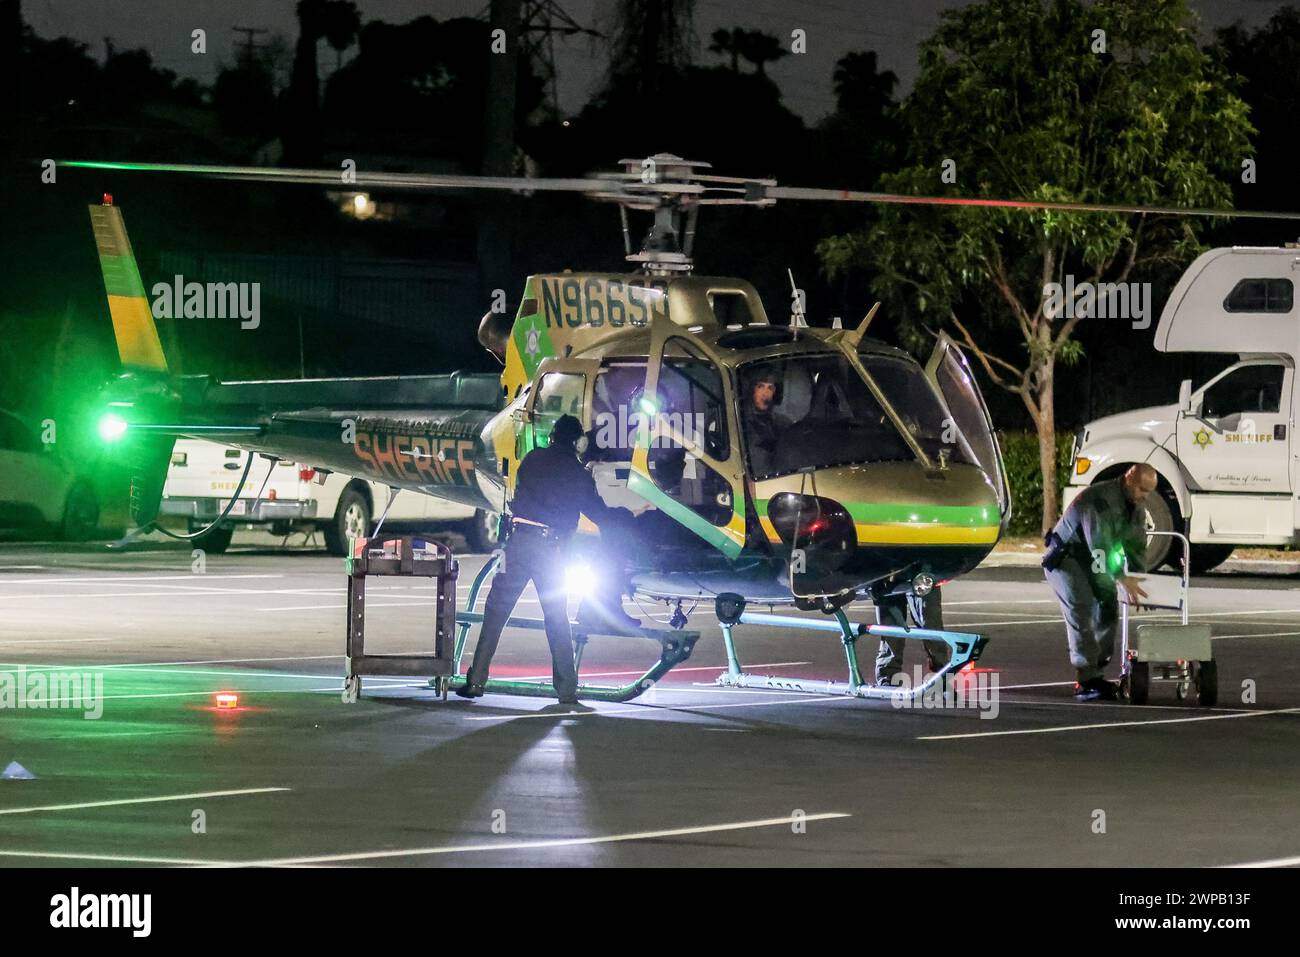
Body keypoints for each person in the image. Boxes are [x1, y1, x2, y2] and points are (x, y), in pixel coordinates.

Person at [457, 415, 638, 704]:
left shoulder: (532, 460)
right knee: (556, 617)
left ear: (552, 437)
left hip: (518, 542)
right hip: (552, 550)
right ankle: (567, 690)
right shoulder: (578, 474)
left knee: (495, 612)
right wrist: (627, 518)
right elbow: (599, 513)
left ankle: (476, 680)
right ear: (578, 443)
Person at [1043, 463, 1156, 701]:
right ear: (1129, 479)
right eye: (1141, 490)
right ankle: (1086, 679)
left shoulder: (1134, 506)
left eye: (1149, 492)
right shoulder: (1099, 499)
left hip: (1094, 561)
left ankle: (1097, 669)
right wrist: (1120, 576)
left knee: (1107, 604)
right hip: (1068, 559)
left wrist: (1143, 580)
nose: (1144, 497)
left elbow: (1136, 544)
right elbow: (1100, 544)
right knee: (1081, 606)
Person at [874, 588, 950, 686]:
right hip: (886, 580)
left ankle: (941, 677)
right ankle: (888, 679)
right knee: (890, 631)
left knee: (931, 627)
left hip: (920, 577)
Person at [743, 374, 781, 473]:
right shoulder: (740, 422)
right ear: (752, 389)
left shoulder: (781, 421)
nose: (766, 393)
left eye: (770, 388)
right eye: (760, 386)